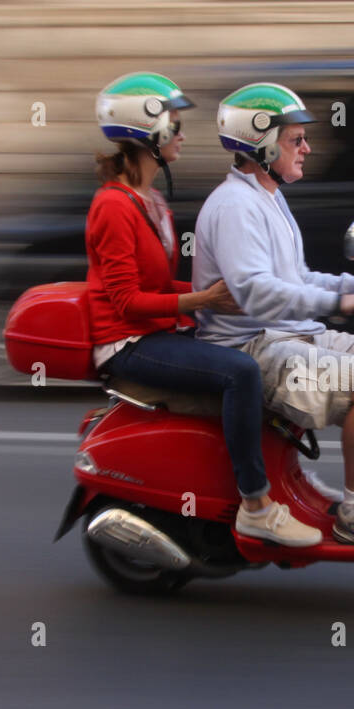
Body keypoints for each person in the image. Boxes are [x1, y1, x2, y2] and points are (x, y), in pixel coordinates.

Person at [87, 72, 320, 547]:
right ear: (144, 132)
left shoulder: (152, 201)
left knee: (260, 356)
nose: (182, 135)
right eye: (174, 125)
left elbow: (159, 285)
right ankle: (256, 505)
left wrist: (214, 294)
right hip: (127, 344)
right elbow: (126, 301)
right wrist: (204, 300)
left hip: (158, 333)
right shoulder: (114, 206)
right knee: (240, 372)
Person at [194, 82, 354, 551]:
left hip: (295, 334)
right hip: (256, 346)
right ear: (262, 143)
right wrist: (341, 305)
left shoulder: (268, 196)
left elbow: (298, 277)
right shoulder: (235, 207)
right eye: (296, 140)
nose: (307, 148)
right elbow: (257, 294)